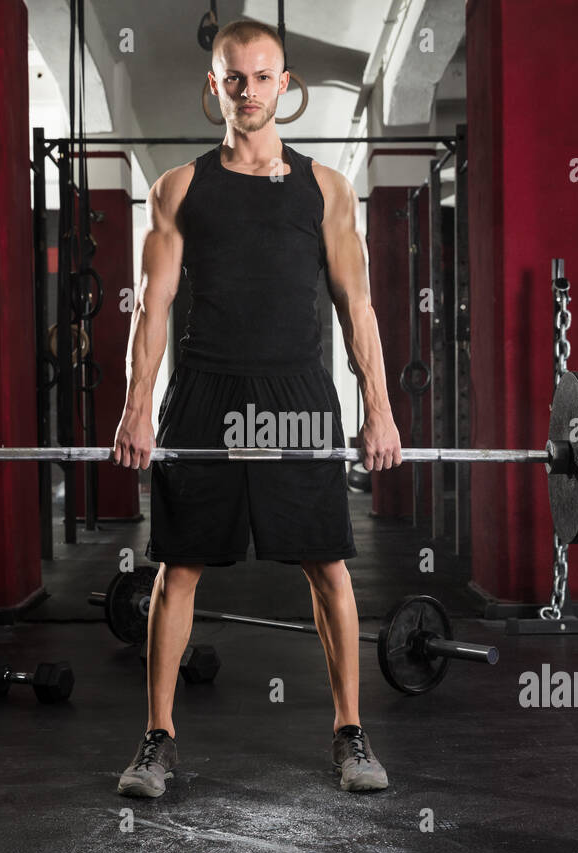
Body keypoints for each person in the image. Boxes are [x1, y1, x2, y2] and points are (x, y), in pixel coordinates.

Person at [111, 19, 402, 798]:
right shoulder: (178, 189)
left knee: (329, 569)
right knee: (177, 572)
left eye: (262, 77)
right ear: (215, 86)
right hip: (202, 392)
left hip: (297, 392)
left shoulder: (326, 190)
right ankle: (158, 739)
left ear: (286, 84)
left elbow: (358, 308)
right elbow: (153, 310)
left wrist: (378, 407)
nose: (248, 91)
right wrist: (137, 406)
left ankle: (349, 733)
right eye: (232, 78)